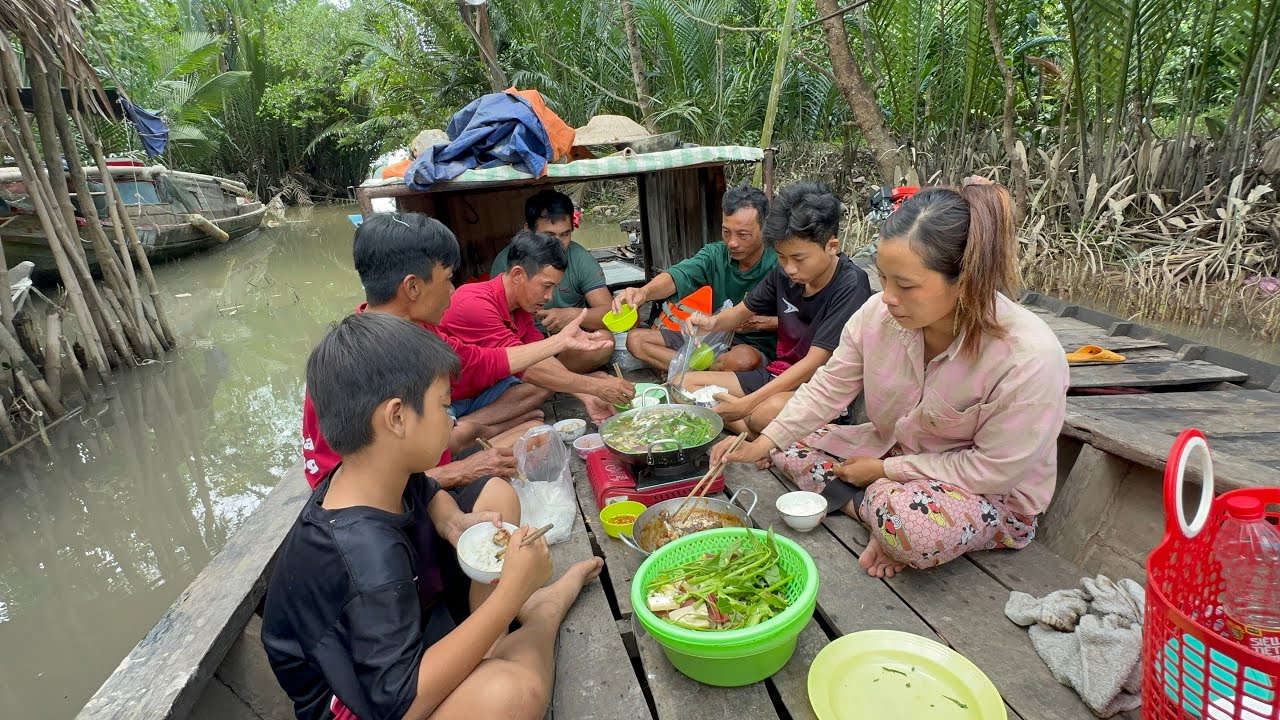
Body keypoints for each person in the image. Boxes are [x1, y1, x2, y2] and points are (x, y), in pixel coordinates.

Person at [712, 180, 1068, 579]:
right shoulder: (876, 316)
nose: (888, 297)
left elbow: (994, 471)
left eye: (906, 285)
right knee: (783, 442)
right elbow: (828, 388)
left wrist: (883, 473)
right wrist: (760, 444)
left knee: (913, 527)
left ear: (966, 279)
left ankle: (875, 510)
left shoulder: (1028, 357)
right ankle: (877, 512)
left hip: (985, 493)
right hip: (891, 454)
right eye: (884, 278)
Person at [264, 312, 603, 720]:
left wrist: (453, 522)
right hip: (366, 701)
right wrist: (512, 593)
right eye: (444, 406)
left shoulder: (373, 471)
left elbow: (425, 490)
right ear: (396, 418)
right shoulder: (364, 558)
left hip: (412, 626)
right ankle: (539, 615)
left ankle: (495, 645)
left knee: (495, 497)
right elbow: (400, 704)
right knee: (513, 694)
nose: (451, 419)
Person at [302, 213, 614, 491]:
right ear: (413, 287)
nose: (453, 290)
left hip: (423, 467)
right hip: (384, 499)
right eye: (448, 279)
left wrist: (560, 345)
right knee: (503, 486)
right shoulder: (354, 359)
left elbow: (482, 362)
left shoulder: (421, 332)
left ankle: (472, 433)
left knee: (537, 433)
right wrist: (457, 472)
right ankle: (470, 433)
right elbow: (349, 488)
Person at [682, 182, 872, 435]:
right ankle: (761, 435)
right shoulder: (783, 275)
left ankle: (754, 429)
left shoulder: (851, 284)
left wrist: (748, 403)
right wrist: (711, 323)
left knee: (761, 414)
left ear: (831, 246)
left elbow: (814, 363)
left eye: (799, 258)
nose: (789, 268)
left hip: (820, 388)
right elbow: (740, 312)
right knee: (686, 383)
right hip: (779, 374)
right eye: (782, 257)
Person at [443, 230, 634, 423]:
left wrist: (586, 394)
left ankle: (479, 426)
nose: (549, 296)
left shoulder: (520, 306)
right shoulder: (474, 304)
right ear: (518, 274)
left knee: (548, 383)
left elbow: (541, 358)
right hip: (452, 400)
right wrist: (595, 387)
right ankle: (465, 427)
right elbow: (530, 369)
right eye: (546, 286)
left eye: (554, 287)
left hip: (490, 388)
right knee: (540, 396)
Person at [615, 185, 779, 372]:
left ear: (764, 228)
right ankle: (707, 372)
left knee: (742, 361)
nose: (732, 243)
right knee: (636, 340)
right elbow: (678, 276)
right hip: (711, 337)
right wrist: (644, 292)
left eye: (743, 235)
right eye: (726, 232)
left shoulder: (779, 262)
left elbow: (801, 319)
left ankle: (696, 372)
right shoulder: (715, 254)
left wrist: (760, 323)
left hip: (753, 347)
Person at [491, 189, 612, 335]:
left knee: (604, 338)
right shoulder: (506, 261)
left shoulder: (581, 259)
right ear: (528, 231)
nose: (558, 244)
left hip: (574, 335)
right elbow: (498, 318)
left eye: (565, 234)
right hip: (524, 339)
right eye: (549, 235)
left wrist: (572, 315)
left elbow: (610, 313)